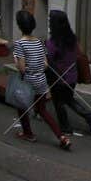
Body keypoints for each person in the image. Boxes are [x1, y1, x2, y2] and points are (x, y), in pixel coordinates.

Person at [13, 10, 70, 149]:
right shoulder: (39, 42)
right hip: (41, 80)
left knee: (22, 107)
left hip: (28, 80)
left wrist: (16, 60)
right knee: (43, 110)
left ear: (19, 26)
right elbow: (45, 64)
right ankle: (61, 137)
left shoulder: (20, 44)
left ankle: (28, 134)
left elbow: (21, 68)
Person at [45, 10, 91, 136]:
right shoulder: (72, 38)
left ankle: (65, 127)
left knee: (59, 102)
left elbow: (48, 58)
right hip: (72, 76)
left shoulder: (53, 42)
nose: (49, 22)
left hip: (58, 77)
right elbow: (79, 54)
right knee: (69, 100)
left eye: (50, 20)